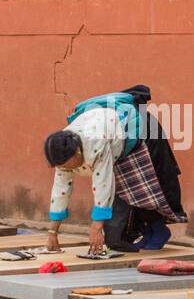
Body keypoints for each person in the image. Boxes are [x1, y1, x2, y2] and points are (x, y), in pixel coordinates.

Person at [43, 87, 186, 255]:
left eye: (68, 165)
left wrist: (97, 226)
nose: (67, 169)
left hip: (144, 131)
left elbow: (103, 185)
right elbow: (60, 190)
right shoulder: (62, 153)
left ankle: (158, 230)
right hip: (117, 138)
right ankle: (148, 231)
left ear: (78, 152)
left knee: (141, 189)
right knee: (124, 201)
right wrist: (52, 233)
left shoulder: (95, 142)